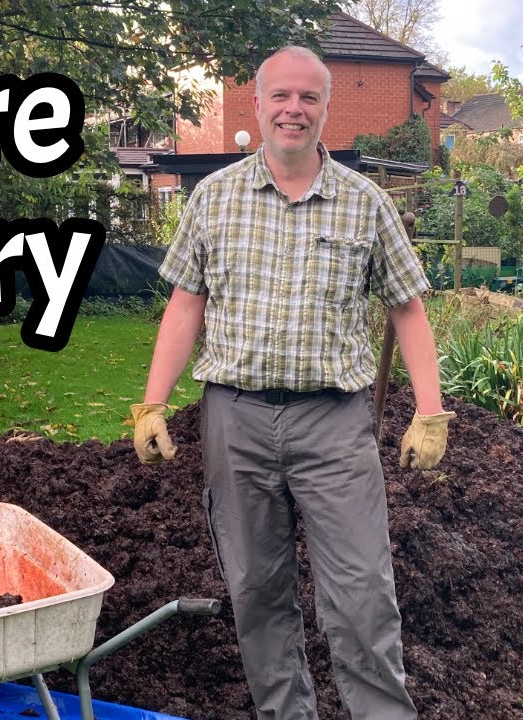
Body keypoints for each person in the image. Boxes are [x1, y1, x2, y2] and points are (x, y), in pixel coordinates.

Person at [129, 45, 452, 720]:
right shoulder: (214, 198)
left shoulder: (365, 204)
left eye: (308, 98)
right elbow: (185, 304)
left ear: (326, 110)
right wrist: (152, 403)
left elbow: (408, 308)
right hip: (235, 421)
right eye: (281, 96)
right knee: (257, 592)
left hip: (333, 424)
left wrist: (430, 412)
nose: (293, 110)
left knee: (362, 593)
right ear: (258, 105)